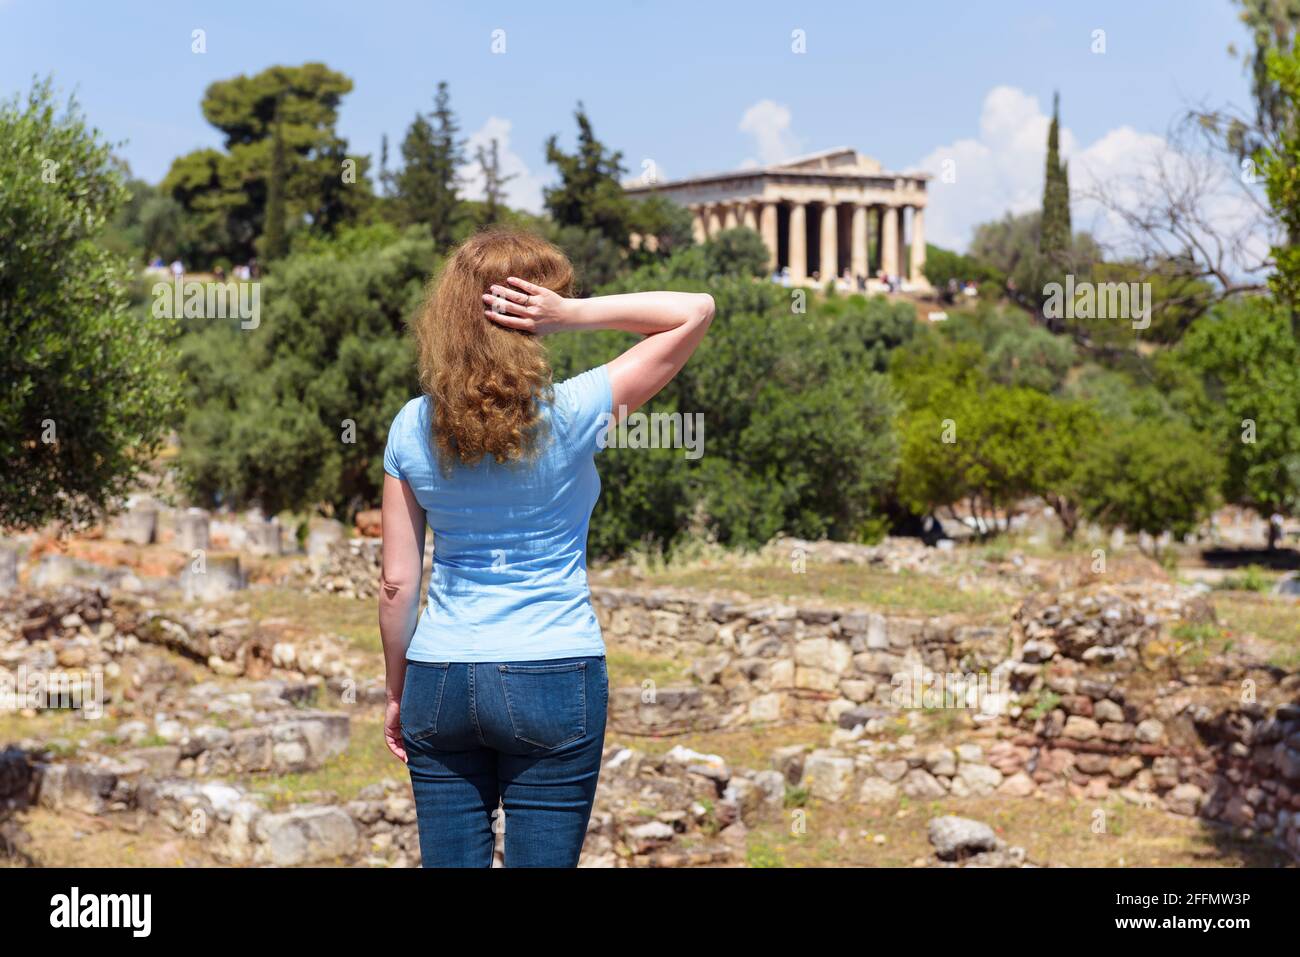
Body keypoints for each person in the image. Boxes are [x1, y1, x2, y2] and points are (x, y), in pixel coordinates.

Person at [379, 228, 714, 867]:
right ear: (533, 317)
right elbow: (695, 309)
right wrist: (573, 316)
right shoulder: (577, 410)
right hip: (554, 671)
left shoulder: (409, 423)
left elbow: (397, 582)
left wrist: (399, 691)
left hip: (440, 677)